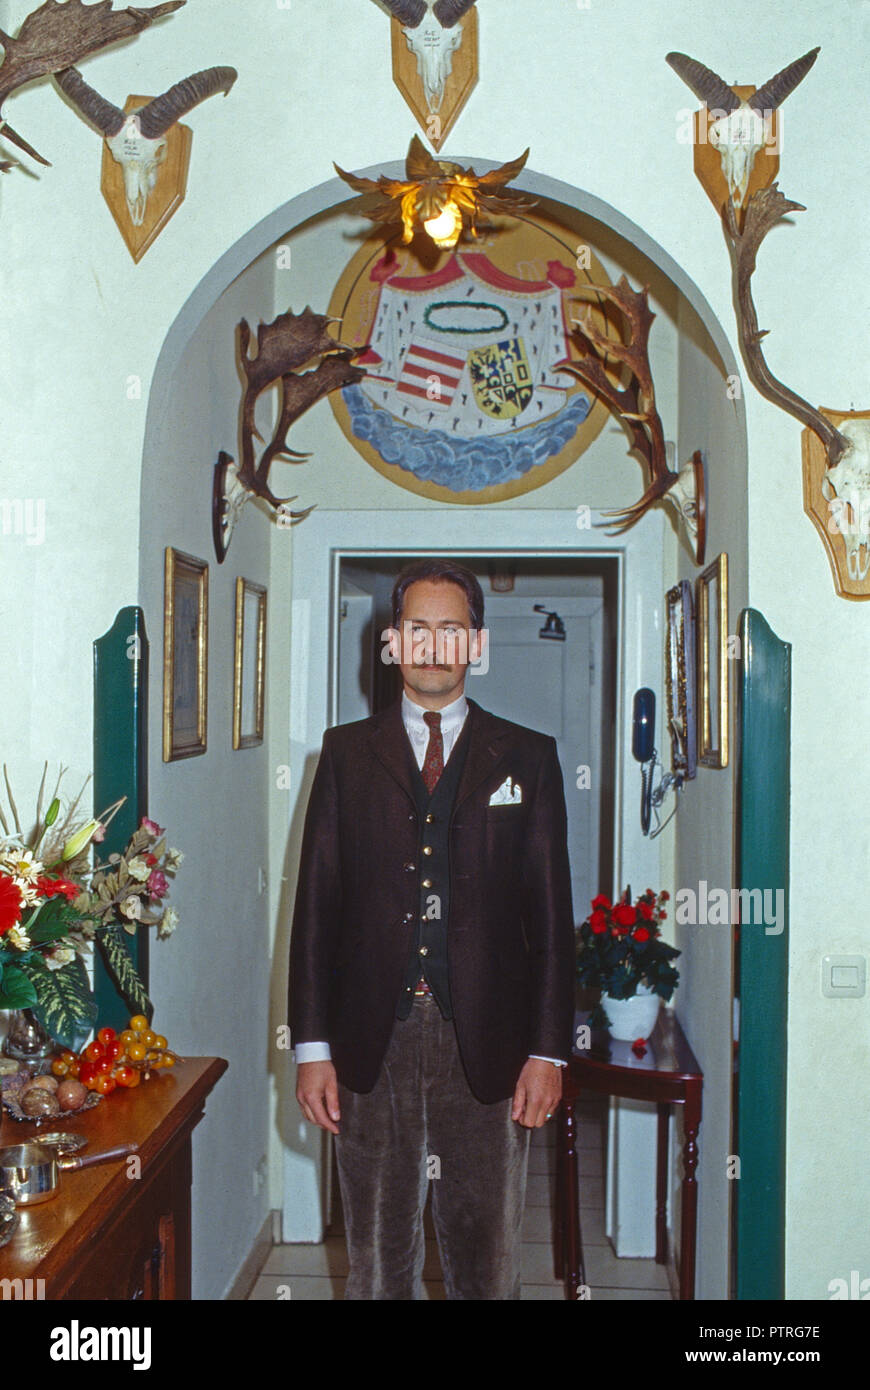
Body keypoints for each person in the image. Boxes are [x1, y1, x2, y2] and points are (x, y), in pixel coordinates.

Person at [288, 558, 575, 1300]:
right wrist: (312, 1048)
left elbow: (550, 919)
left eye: (452, 630)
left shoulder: (530, 757)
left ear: (477, 644)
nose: (435, 646)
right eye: (419, 629)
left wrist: (549, 1050)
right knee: (379, 1262)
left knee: (486, 1264)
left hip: (489, 1044)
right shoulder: (346, 754)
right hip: (369, 1041)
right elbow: (316, 907)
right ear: (392, 641)